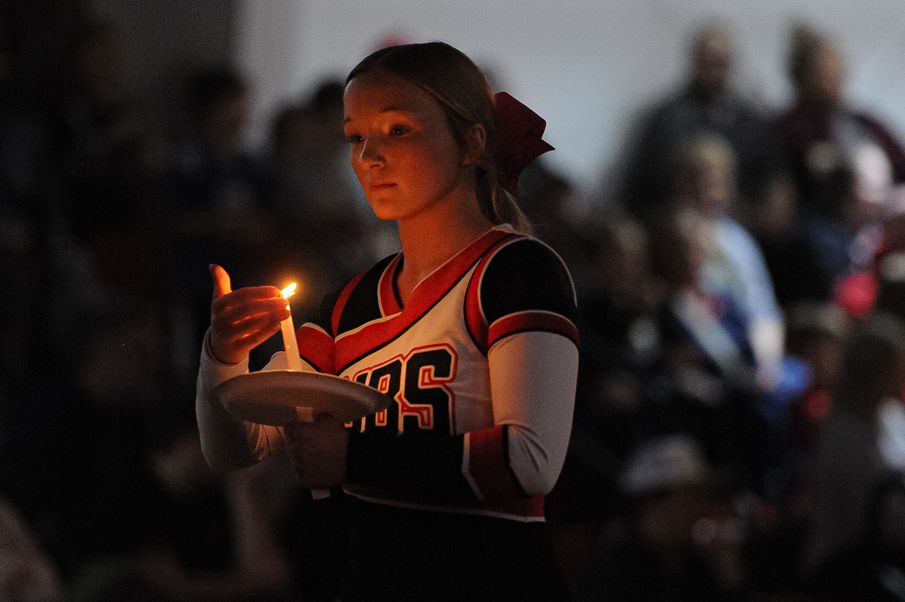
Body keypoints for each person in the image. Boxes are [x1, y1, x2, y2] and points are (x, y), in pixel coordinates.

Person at [195, 41, 579, 601]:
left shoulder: (517, 270)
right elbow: (238, 449)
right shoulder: (349, 303)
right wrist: (221, 358)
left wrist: (354, 456)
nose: (369, 157)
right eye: (355, 137)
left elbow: (532, 460)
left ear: (471, 143)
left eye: (398, 130)